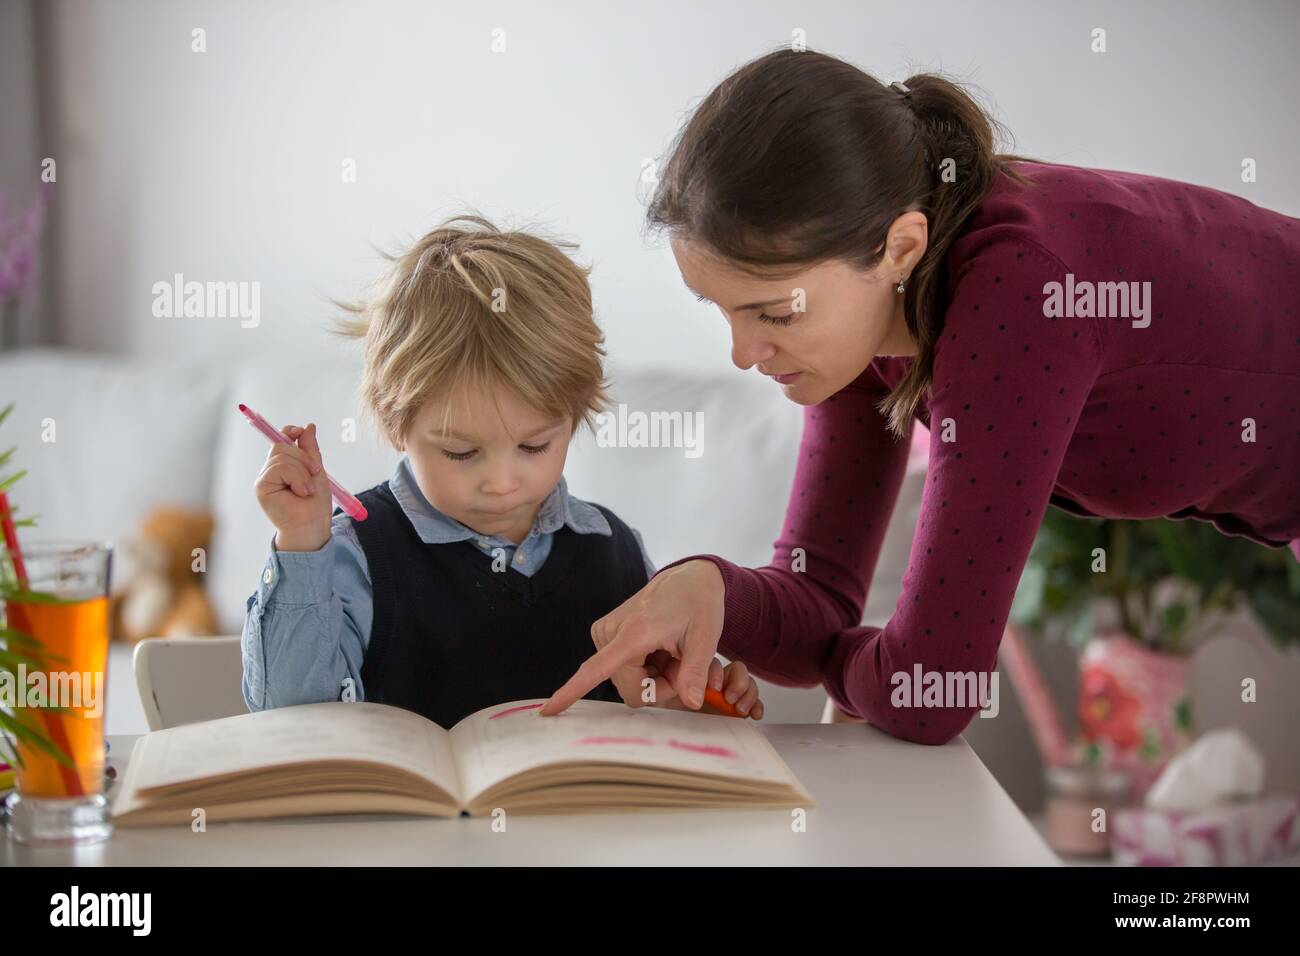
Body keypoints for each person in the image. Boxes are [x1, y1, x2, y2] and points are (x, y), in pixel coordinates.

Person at [541, 49, 1300, 743]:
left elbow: (932, 691)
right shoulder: (871, 321)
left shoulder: (1017, 295)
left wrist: (847, 662)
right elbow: (823, 598)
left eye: (773, 313)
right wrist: (709, 588)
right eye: (723, 309)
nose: (744, 355)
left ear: (900, 246)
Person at [241, 214, 764, 728]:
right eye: (461, 453)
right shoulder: (353, 555)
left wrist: (681, 700)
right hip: (411, 816)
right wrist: (302, 544)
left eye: (534, 445)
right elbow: (290, 718)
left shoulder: (616, 551)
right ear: (396, 424)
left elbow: (649, 711)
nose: (502, 482)